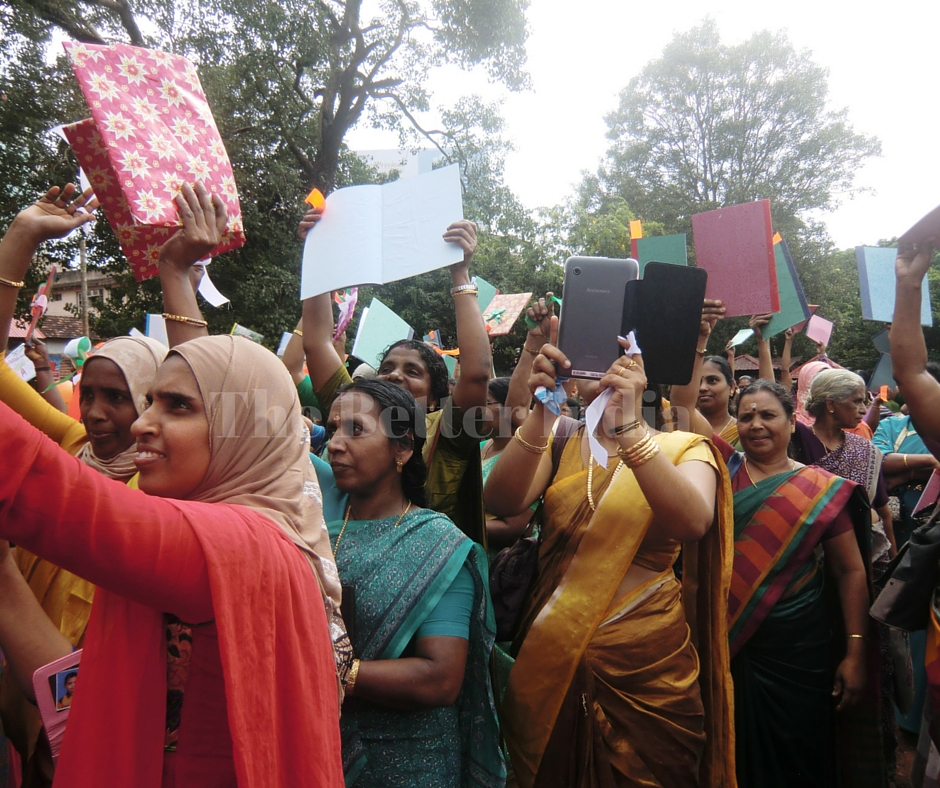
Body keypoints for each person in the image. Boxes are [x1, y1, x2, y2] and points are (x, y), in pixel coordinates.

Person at [0, 334, 344, 787]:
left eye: (178, 406)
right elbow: (86, 692)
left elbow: (49, 493)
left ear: (243, 429)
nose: (142, 423)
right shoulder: (216, 540)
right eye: (149, 402)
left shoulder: (245, 547)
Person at [484, 319, 736, 788]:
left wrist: (630, 429)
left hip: (647, 660)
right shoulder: (561, 437)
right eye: (589, 357)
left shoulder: (685, 448)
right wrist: (542, 409)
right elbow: (500, 501)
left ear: (641, 370)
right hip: (550, 650)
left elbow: (692, 524)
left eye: (616, 357)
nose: (601, 371)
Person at [0, 185, 170, 787]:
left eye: (116, 398)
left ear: (151, 403)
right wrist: (21, 238)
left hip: (102, 724)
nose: (94, 413)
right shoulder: (70, 447)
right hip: (24, 706)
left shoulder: (164, 496)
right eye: (89, 394)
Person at [322, 378, 504, 787]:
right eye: (332, 429)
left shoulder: (437, 543)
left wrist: (334, 671)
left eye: (355, 429)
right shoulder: (315, 533)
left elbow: (440, 679)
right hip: (322, 749)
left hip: (409, 760)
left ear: (402, 449)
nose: (334, 444)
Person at [299, 207, 492, 546]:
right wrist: (318, 257)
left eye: (412, 371)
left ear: (434, 399)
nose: (394, 376)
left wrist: (460, 273)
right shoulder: (353, 408)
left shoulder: (446, 432)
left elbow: (476, 374)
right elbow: (316, 345)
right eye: (386, 368)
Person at [724, 381, 872, 787]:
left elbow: (851, 571)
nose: (756, 424)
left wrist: (855, 652)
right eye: (746, 416)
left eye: (768, 415)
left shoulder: (821, 488)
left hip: (798, 646)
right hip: (727, 639)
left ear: (793, 423)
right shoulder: (719, 474)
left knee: (799, 753)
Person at [791, 369, 895, 556]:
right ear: (831, 404)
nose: (863, 410)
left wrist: (894, 560)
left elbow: (883, 512)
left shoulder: (865, 449)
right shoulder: (798, 440)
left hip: (861, 553)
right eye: (857, 401)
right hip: (806, 554)